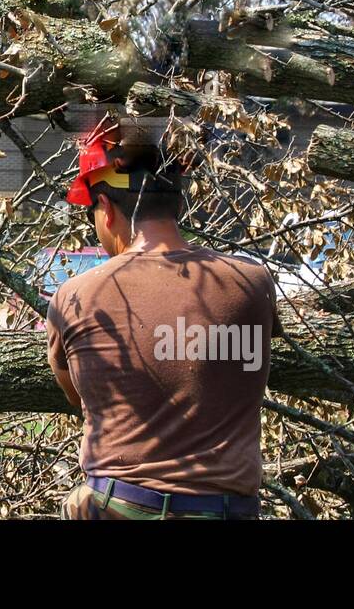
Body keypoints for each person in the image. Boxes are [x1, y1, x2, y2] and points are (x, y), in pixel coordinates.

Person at [46, 116, 282, 520]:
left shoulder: (76, 298)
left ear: (104, 208)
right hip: (228, 511)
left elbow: (78, 395)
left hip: (121, 506)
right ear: (177, 201)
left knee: (77, 504)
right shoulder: (253, 284)